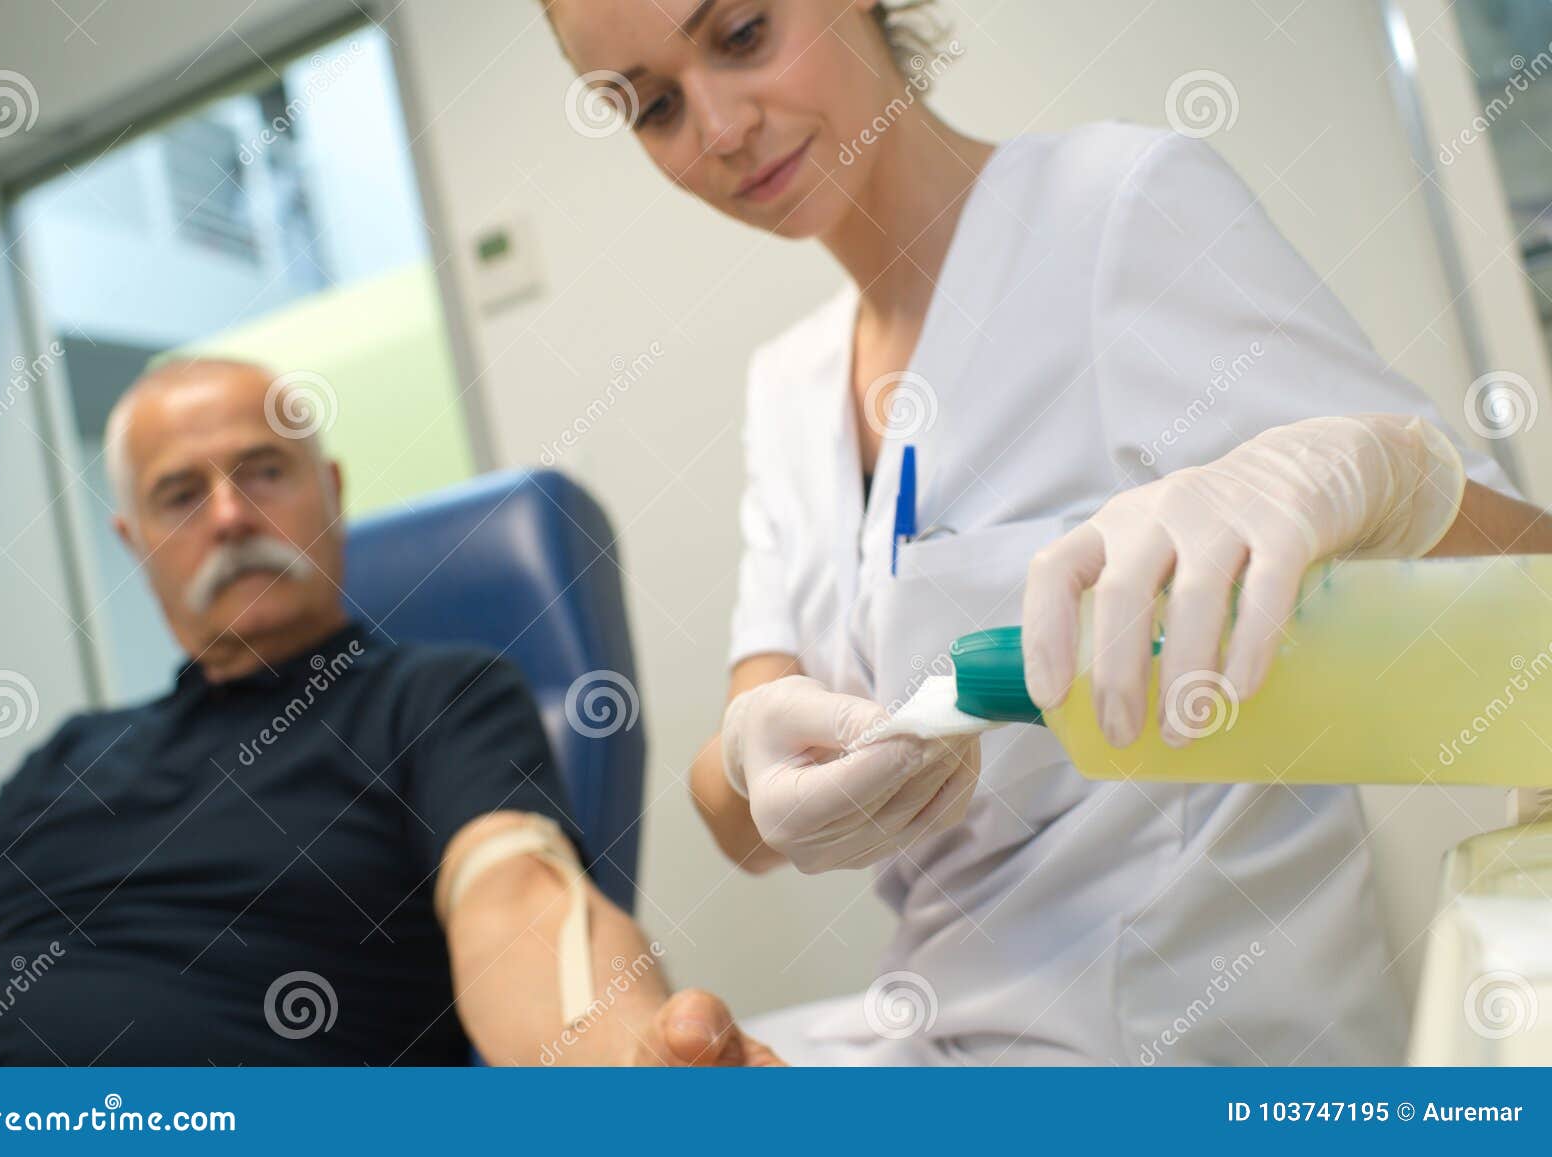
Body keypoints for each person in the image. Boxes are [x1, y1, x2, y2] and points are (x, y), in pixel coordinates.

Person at [545, 0, 1552, 1064]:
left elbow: (1529, 585)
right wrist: (756, 769)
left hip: (1197, 1038)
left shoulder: (1115, 210)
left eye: (741, 35)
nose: (716, 127)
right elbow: (734, 808)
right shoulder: (788, 386)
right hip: (932, 1024)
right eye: (651, 106)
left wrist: (1391, 485)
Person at [0, 359, 778, 1068]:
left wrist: (627, 1064)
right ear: (136, 542)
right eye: (181, 494)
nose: (231, 516)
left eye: (264, 470)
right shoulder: (72, 751)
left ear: (332, 490)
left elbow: (518, 898)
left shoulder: (437, 696)